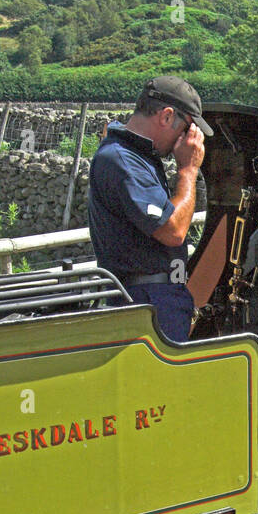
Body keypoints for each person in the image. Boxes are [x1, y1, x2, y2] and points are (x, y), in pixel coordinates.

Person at [88, 76, 212, 343]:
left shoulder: (136, 156)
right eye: (187, 129)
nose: (188, 140)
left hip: (153, 297)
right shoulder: (122, 160)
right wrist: (188, 171)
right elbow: (173, 231)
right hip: (146, 301)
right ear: (167, 116)